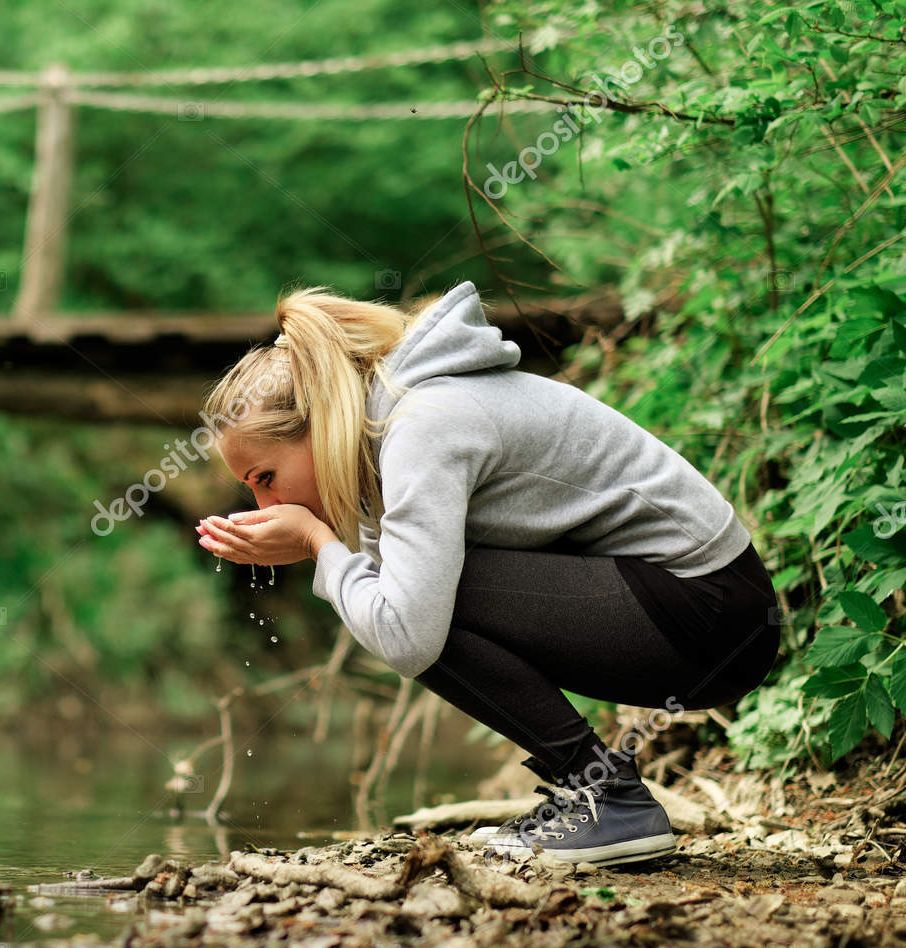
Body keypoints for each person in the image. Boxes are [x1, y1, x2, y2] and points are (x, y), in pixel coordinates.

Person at [195, 280, 779, 867]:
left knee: (421, 598)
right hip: (686, 610)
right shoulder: (386, 433)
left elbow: (405, 632)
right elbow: (381, 588)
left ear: (320, 425)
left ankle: (611, 801)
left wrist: (319, 544)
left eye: (266, 478)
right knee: (409, 585)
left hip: (712, 612)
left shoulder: (424, 423)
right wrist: (327, 549)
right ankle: (594, 793)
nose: (263, 508)